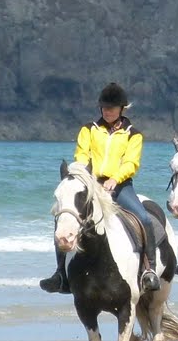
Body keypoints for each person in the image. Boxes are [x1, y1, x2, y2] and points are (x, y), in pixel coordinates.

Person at [40, 83, 164, 294]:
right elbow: (82, 154)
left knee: (143, 218)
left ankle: (148, 269)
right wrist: (85, 176)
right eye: (104, 108)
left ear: (122, 109)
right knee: (63, 217)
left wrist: (115, 178)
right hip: (91, 183)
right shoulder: (88, 129)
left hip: (120, 185)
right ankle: (61, 273)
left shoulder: (133, 134)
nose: (107, 111)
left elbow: (131, 162)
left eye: (112, 108)